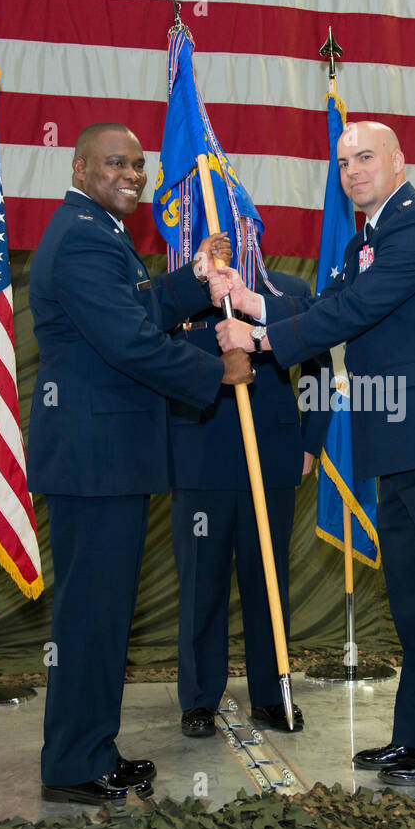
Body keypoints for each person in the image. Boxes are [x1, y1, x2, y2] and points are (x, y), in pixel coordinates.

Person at [214, 121, 415, 785]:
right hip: (401, 440)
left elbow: (354, 312)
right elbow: (329, 303)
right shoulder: (365, 239)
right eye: (343, 160)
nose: (352, 170)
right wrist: (250, 300)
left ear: (399, 162)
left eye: (365, 157)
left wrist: (259, 342)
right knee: (412, 595)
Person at [27, 122, 252, 805]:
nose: (132, 173)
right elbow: (128, 341)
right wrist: (215, 373)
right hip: (96, 461)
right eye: (114, 162)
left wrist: (196, 277)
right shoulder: (82, 237)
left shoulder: (98, 232)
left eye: (138, 165)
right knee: (92, 616)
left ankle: (92, 746)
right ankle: (72, 763)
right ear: (78, 165)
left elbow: (143, 307)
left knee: (102, 613)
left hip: (107, 460)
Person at [170, 269, 330, 738]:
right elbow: (156, 363)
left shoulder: (288, 293)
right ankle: (199, 699)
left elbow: (321, 369)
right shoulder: (180, 292)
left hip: (273, 454)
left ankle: (271, 695)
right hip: (201, 457)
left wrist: (310, 443)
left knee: (268, 584)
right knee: (202, 583)